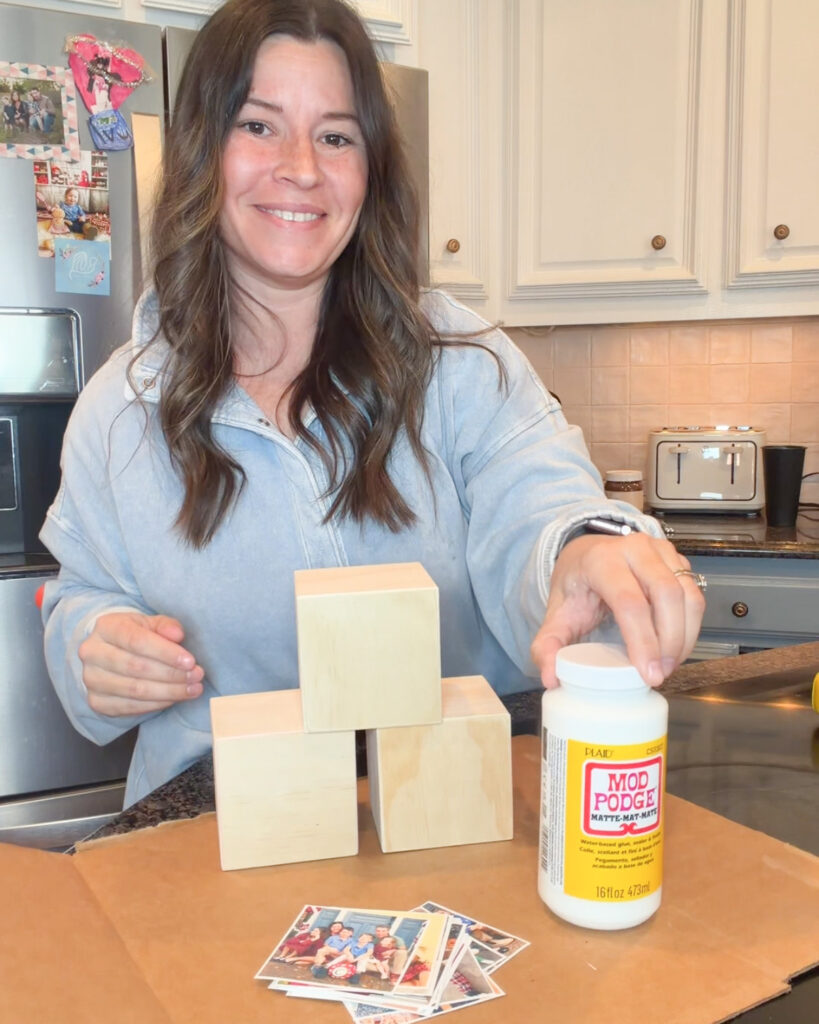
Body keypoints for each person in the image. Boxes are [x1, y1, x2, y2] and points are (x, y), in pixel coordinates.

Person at [39, 0, 705, 809]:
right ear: (199, 153)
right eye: (257, 125)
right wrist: (91, 644)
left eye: (335, 135)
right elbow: (84, 592)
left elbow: (541, 508)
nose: (301, 167)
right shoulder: (119, 407)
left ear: (370, 168)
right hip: (215, 849)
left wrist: (583, 554)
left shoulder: (463, 361)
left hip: (458, 825)